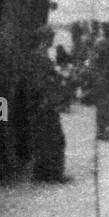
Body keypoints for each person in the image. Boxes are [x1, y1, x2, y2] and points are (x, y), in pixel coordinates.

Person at [24, 27, 69, 183]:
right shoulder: (40, 58)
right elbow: (39, 83)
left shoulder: (38, 56)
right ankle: (51, 174)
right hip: (44, 105)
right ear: (44, 38)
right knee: (53, 139)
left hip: (43, 104)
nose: (52, 39)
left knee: (45, 139)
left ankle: (43, 173)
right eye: (50, 36)